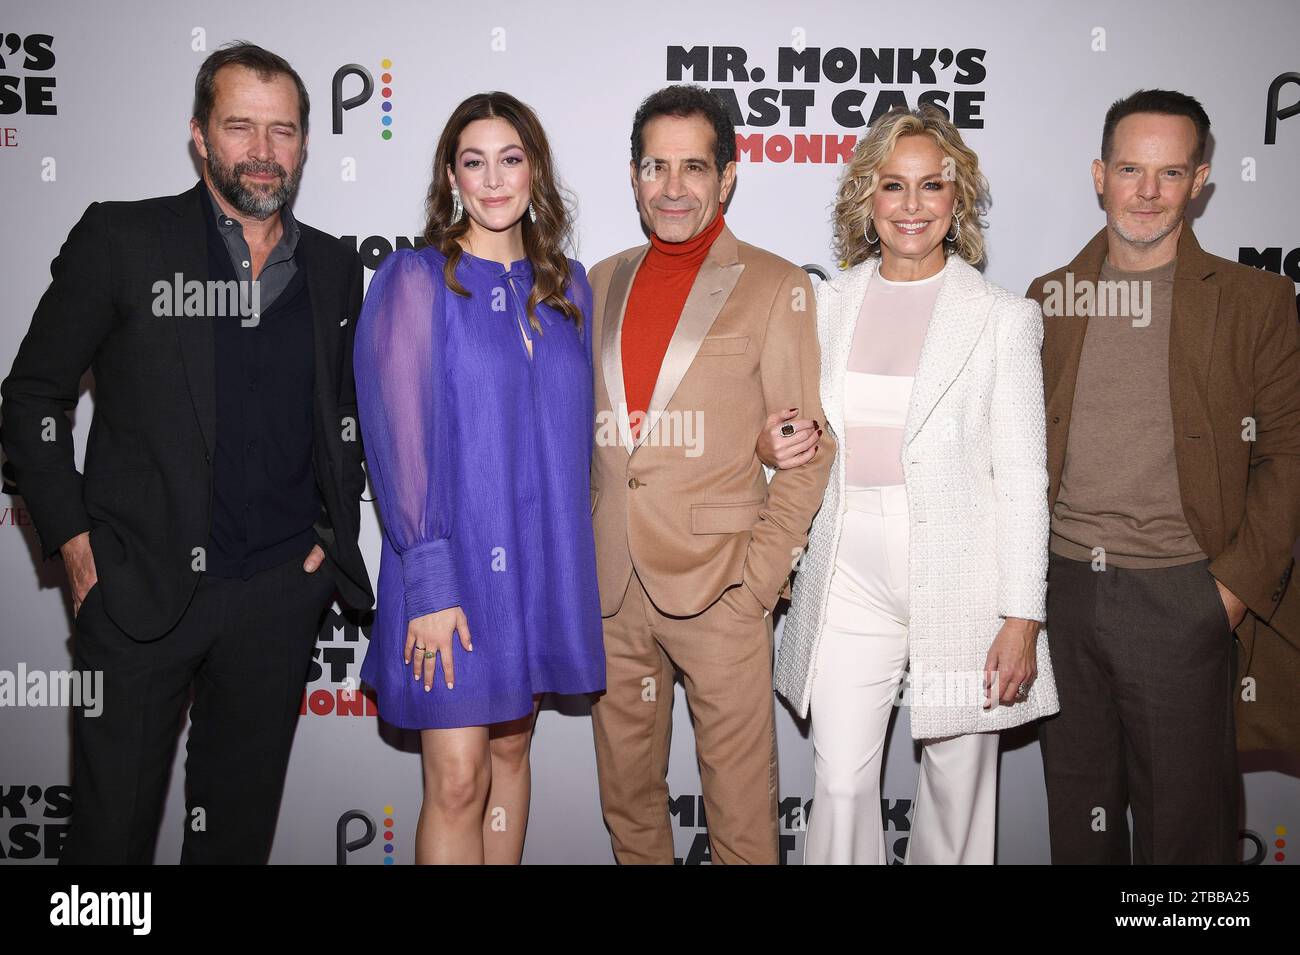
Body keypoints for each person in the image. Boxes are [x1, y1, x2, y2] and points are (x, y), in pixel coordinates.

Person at [0, 42, 373, 863]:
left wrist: (326, 531)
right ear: (200, 136)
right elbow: (31, 397)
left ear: (306, 143)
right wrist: (73, 545)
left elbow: (343, 413)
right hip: (138, 592)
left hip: (275, 601)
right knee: (107, 844)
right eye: (240, 126)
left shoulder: (335, 266)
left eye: (283, 130)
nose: (263, 150)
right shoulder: (123, 239)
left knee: (233, 845)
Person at [770, 105, 1059, 864]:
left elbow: (1025, 475)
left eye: (932, 186)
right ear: (867, 197)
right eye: (893, 186)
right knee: (836, 784)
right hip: (845, 566)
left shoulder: (1002, 318)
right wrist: (775, 448)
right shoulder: (824, 305)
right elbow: (794, 437)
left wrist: (1022, 614)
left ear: (957, 198)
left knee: (958, 789)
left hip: (965, 568)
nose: (911, 205)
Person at [1025, 89, 1300, 864]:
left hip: (1185, 595)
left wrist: (1228, 593)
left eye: (1169, 172)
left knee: (1188, 837)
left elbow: (1289, 453)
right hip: (1062, 595)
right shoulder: (1048, 298)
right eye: (1130, 168)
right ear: (1099, 174)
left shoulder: (1257, 302)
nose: (1147, 191)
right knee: (1080, 825)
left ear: (1200, 180)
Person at [586, 84, 834, 864]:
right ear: (632, 176)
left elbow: (807, 446)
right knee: (628, 803)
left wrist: (757, 583)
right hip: (612, 588)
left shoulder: (774, 284)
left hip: (722, 589)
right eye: (655, 166)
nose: (671, 187)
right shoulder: (596, 282)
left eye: (693, 167)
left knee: (741, 814)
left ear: (728, 176)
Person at [354, 92, 605, 865]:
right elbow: (395, 441)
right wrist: (428, 579)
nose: (494, 180)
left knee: (509, 757)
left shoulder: (569, 285)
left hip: (537, 569)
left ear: (536, 170)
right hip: (451, 572)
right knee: (457, 780)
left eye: (511, 158)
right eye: (474, 161)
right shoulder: (416, 280)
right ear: (451, 178)